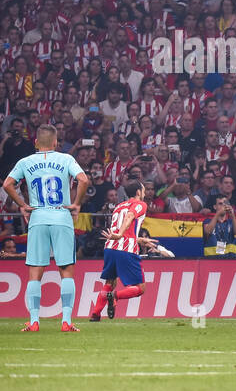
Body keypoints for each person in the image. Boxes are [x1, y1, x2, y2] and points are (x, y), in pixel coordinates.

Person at [3, 125, 89, 332]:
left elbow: (7, 184)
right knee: (66, 270)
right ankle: (66, 321)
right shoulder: (66, 159)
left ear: (35, 143)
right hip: (61, 217)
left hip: (38, 217)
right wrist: (77, 204)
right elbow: (84, 179)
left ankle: (34, 321)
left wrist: (23, 205)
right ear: (55, 143)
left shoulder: (25, 162)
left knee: (35, 271)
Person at [88, 181, 157, 321]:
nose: (144, 193)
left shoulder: (119, 206)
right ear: (138, 192)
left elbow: (126, 227)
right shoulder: (140, 204)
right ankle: (115, 296)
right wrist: (120, 234)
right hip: (125, 249)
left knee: (110, 282)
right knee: (140, 288)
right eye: (143, 190)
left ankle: (95, 314)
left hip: (110, 247)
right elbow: (129, 217)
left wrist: (138, 239)